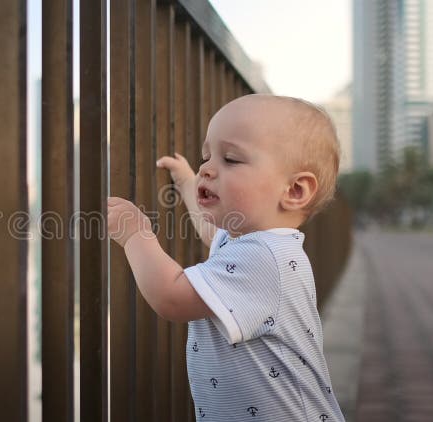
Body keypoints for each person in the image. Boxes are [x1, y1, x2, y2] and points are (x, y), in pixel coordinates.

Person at [107, 94, 345, 421]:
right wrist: (190, 182)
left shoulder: (263, 258)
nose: (208, 167)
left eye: (230, 159)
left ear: (294, 191)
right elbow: (210, 232)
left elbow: (172, 296)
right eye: (207, 156)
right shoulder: (250, 240)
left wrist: (136, 234)